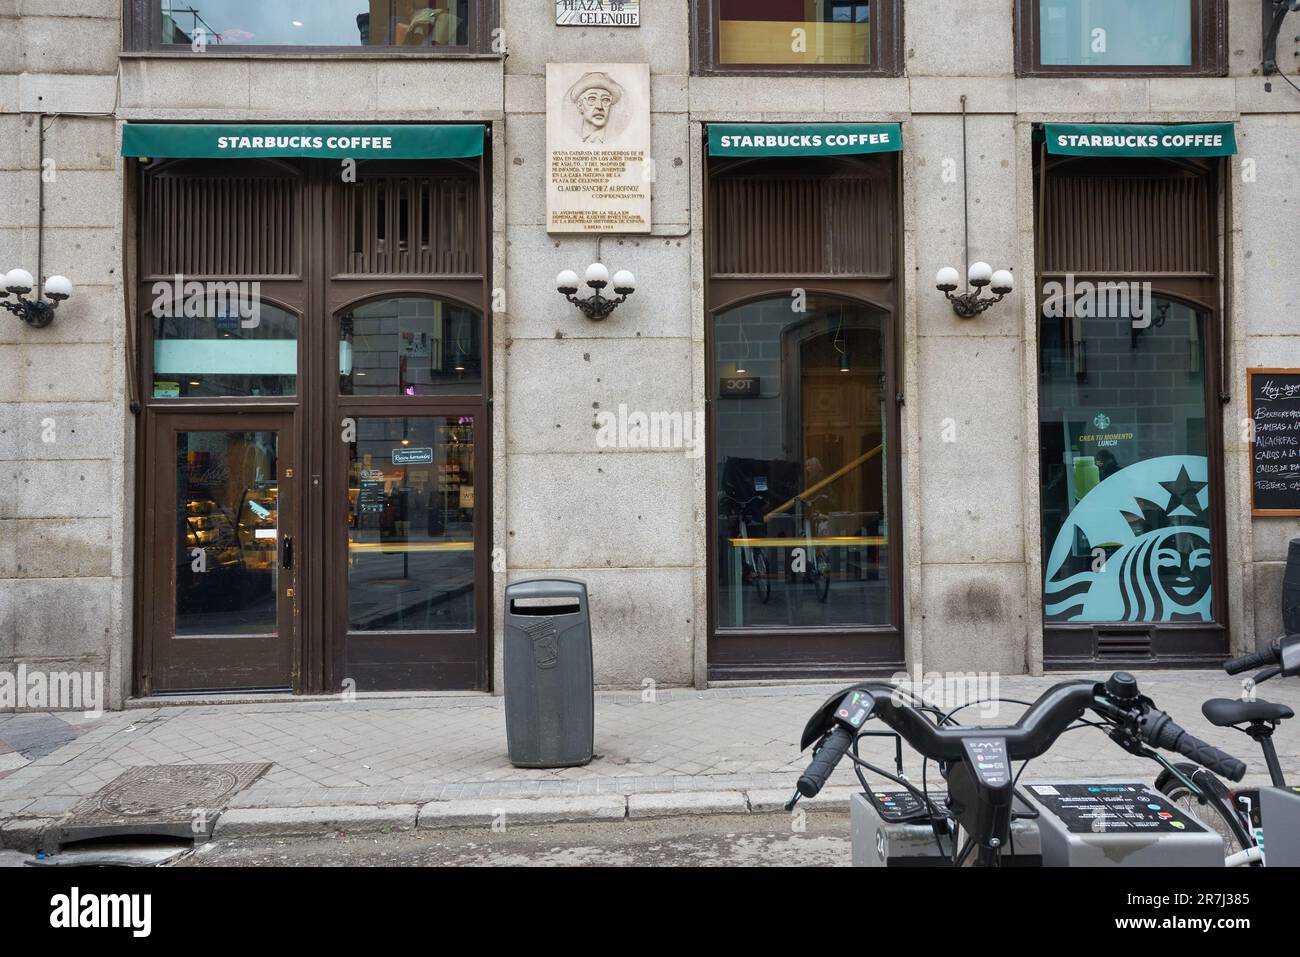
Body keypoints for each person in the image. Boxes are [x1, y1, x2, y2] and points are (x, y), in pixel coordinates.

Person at [566, 72, 624, 144]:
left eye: (605, 100)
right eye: (592, 99)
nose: (599, 106)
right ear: (580, 106)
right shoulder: (568, 135)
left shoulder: (616, 137)